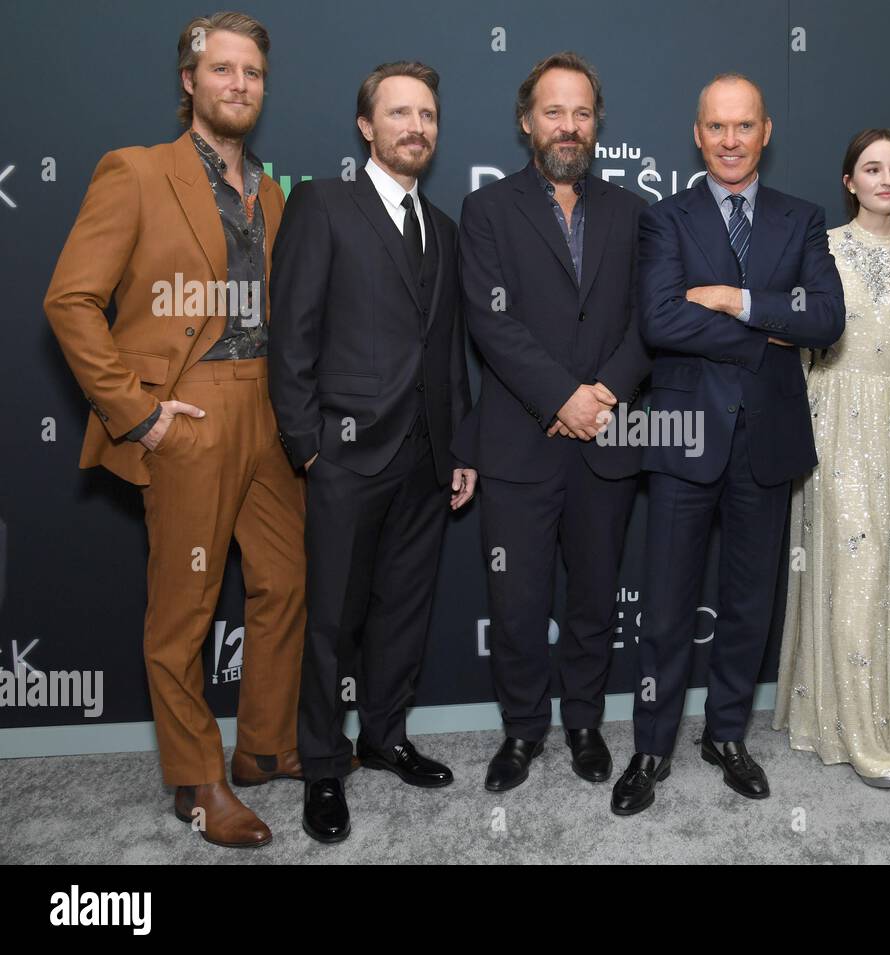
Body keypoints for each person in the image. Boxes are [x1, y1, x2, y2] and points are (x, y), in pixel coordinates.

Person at [44, 12, 305, 848]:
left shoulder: (270, 190)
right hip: (188, 413)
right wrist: (140, 413)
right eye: (222, 70)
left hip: (268, 409)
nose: (239, 85)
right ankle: (199, 783)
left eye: (252, 73)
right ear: (189, 81)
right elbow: (70, 300)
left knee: (287, 580)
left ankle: (264, 745)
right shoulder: (137, 172)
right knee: (184, 611)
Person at [611, 74, 845, 816]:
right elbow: (659, 322)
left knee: (749, 603)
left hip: (768, 439)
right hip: (684, 434)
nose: (732, 140)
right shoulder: (665, 218)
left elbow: (826, 318)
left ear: (766, 132)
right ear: (698, 134)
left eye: (745, 126)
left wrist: (735, 300)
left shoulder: (802, 218)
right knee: (668, 604)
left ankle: (727, 735)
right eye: (718, 127)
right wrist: (763, 336)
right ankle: (651, 745)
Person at [268, 61, 474, 843]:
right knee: (332, 622)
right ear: (367, 126)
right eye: (398, 113)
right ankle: (323, 764)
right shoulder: (323, 203)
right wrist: (307, 445)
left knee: (403, 612)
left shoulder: (444, 228)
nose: (415, 126)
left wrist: (456, 445)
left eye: (426, 114)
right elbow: (292, 335)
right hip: (344, 455)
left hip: (424, 457)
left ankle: (383, 737)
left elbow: (446, 349)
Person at [452, 53, 650, 792]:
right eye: (554, 111)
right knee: (518, 602)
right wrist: (563, 396)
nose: (569, 125)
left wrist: (603, 394)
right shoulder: (488, 210)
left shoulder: (633, 212)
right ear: (527, 121)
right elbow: (491, 324)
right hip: (520, 442)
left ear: (596, 123)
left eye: (582, 112)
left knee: (596, 598)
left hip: (607, 440)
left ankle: (584, 723)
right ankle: (523, 730)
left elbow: (646, 319)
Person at [773, 129, 890, 787]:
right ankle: (852, 727)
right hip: (833, 416)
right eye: (871, 168)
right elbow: (797, 344)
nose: (886, 179)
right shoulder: (819, 247)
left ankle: (880, 711)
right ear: (849, 181)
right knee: (856, 564)